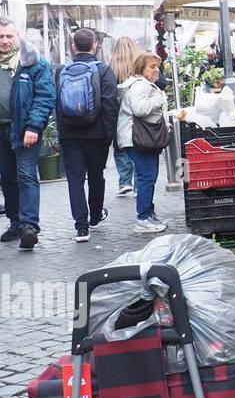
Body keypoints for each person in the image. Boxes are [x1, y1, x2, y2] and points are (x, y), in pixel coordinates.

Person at [0, 17, 55, 250]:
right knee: (8, 177)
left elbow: (45, 96)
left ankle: (29, 226)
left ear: (18, 36)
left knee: (26, 175)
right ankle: (15, 222)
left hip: (25, 129)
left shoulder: (34, 61)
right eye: (0, 36)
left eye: (9, 36)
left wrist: (34, 127)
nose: (5, 41)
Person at [56, 28, 119, 242]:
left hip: (69, 134)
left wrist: (62, 131)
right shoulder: (104, 71)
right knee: (96, 176)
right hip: (96, 134)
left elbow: (58, 105)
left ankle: (81, 228)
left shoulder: (61, 71)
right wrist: (109, 134)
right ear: (95, 46)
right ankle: (95, 215)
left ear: (73, 46)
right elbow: (110, 105)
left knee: (74, 180)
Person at [118, 52, 169, 235]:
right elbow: (140, 110)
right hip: (138, 138)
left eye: (158, 66)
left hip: (142, 138)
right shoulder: (140, 86)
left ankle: (148, 213)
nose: (157, 70)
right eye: (152, 67)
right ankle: (143, 218)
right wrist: (159, 99)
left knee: (149, 176)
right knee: (147, 176)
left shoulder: (144, 85)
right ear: (141, 68)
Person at [108, 37, 144, 196]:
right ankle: (138, 185)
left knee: (121, 146)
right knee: (139, 146)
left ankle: (124, 181)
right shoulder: (141, 63)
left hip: (118, 114)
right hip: (138, 112)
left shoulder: (111, 67)